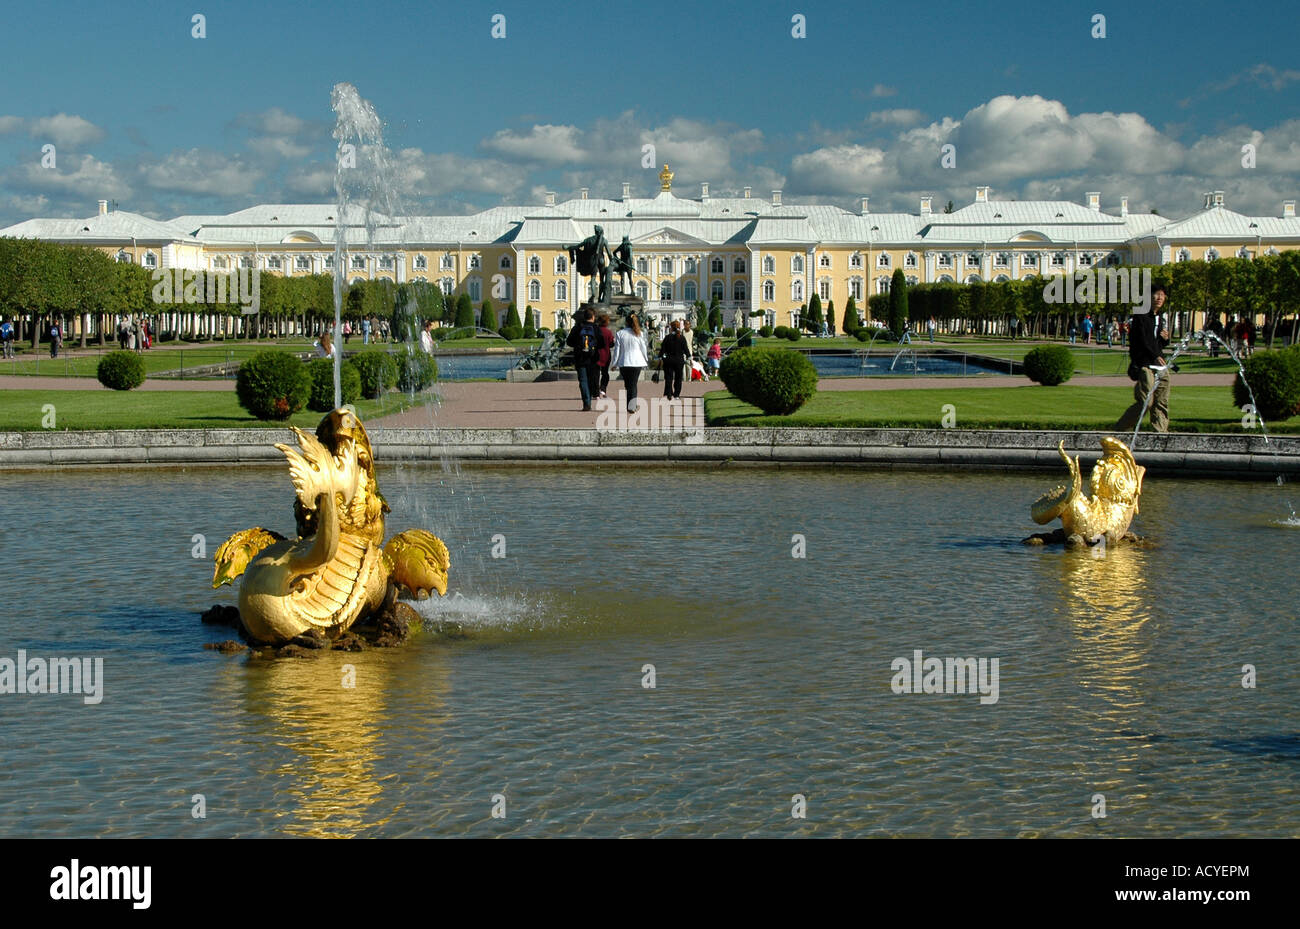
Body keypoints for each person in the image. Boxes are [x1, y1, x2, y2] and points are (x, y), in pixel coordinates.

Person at [1116, 283, 1172, 434]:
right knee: (1146, 402)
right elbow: (1141, 341)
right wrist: (1154, 355)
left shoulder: (1159, 318)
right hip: (1145, 364)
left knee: (1161, 402)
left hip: (1159, 365)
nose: (1160, 298)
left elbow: (1155, 343)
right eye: (1156, 294)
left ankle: (1160, 433)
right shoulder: (1140, 316)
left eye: (1162, 295)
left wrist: (1165, 339)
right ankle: (1121, 428)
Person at [609, 313, 650, 413]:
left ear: (626, 322)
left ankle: (631, 405)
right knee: (633, 384)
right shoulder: (639, 333)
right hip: (637, 362)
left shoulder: (620, 333)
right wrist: (646, 360)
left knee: (628, 385)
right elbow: (643, 348)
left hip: (625, 362)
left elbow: (617, 351)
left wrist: (614, 363)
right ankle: (631, 406)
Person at [566, 307, 602, 411]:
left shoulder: (577, 327)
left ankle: (586, 402)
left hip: (580, 358)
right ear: (593, 317)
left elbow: (569, 342)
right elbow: (602, 343)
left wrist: (578, 345)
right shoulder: (596, 328)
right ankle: (590, 397)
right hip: (593, 358)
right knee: (591, 379)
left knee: (583, 380)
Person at [659, 320, 688, 400]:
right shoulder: (681, 337)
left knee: (668, 378)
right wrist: (689, 357)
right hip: (679, 360)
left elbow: (663, 350)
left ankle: (669, 393)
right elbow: (685, 349)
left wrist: (661, 357)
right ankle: (676, 394)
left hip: (668, 360)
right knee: (678, 378)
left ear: (671, 327)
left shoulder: (667, 337)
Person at [596, 313, 614, 399]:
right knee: (605, 373)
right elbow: (611, 344)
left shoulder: (595, 330)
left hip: (596, 355)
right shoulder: (608, 332)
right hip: (606, 355)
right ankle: (602, 389)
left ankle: (595, 392)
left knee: (595, 374)